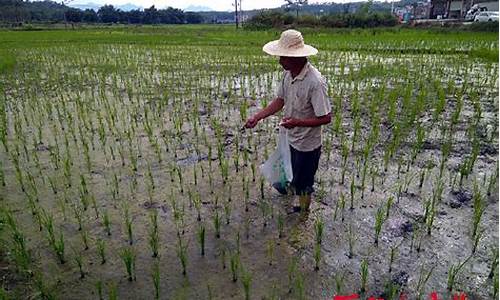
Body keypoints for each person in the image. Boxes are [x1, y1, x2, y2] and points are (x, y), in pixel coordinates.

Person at [244, 29, 331, 212]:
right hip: (291, 139)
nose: (280, 61)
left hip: (308, 145)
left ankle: (303, 214)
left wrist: (297, 123)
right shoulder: (288, 74)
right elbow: (280, 101)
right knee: (292, 174)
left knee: (305, 183)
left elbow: (326, 118)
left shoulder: (314, 82)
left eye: (283, 57)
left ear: (297, 57)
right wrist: (257, 117)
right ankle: (294, 198)